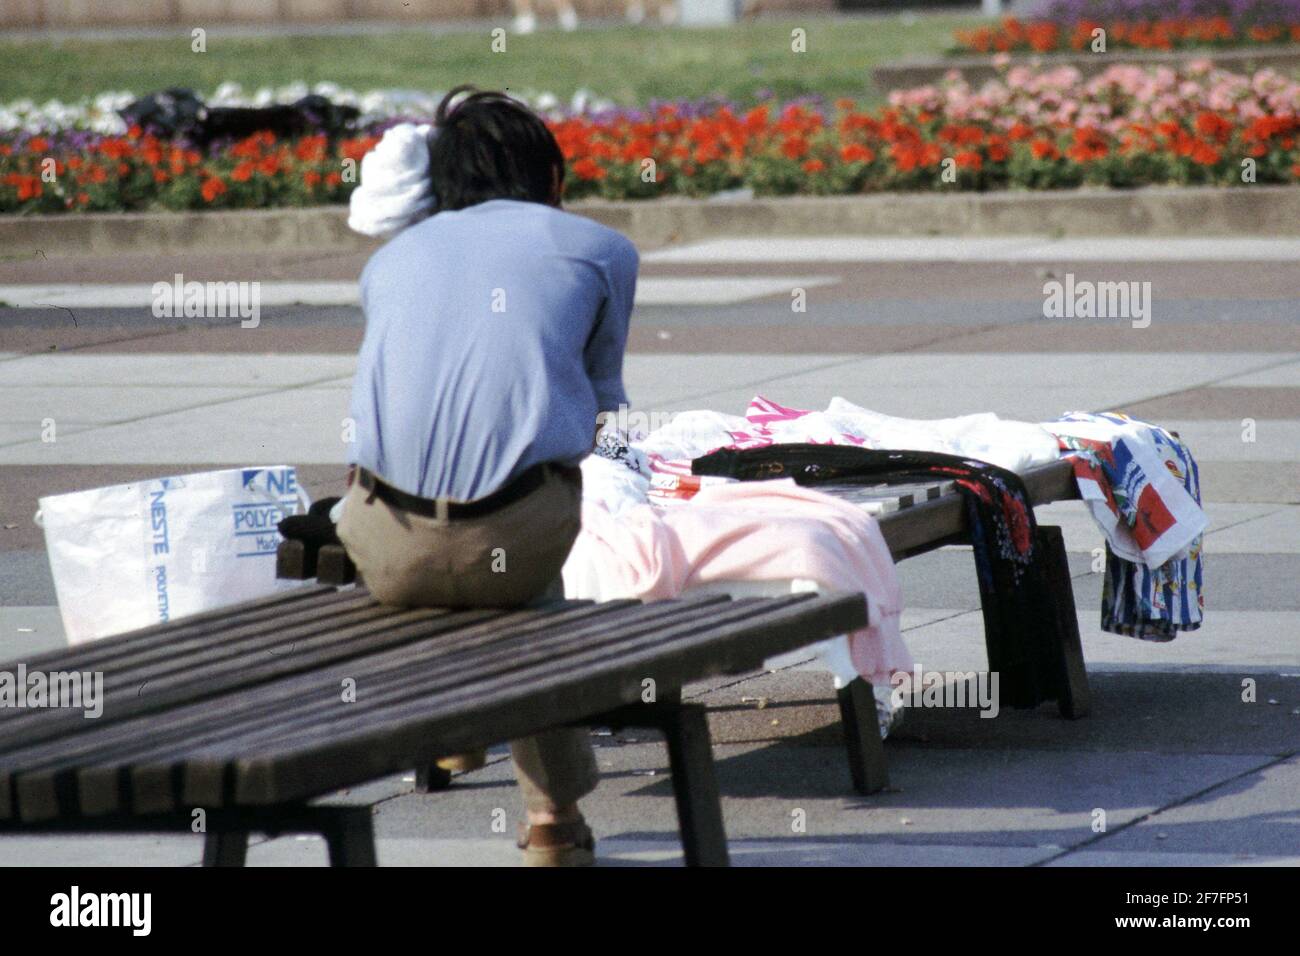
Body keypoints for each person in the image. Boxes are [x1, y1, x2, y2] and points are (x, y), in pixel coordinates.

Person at [337, 86, 639, 866]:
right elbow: (600, 407)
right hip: (515, 542)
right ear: (549, 175)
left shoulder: (389, 260)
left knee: (462, 531)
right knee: (528, 578)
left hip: (382, 543)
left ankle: (456, 738)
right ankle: (554, 820)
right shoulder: (602, 250)